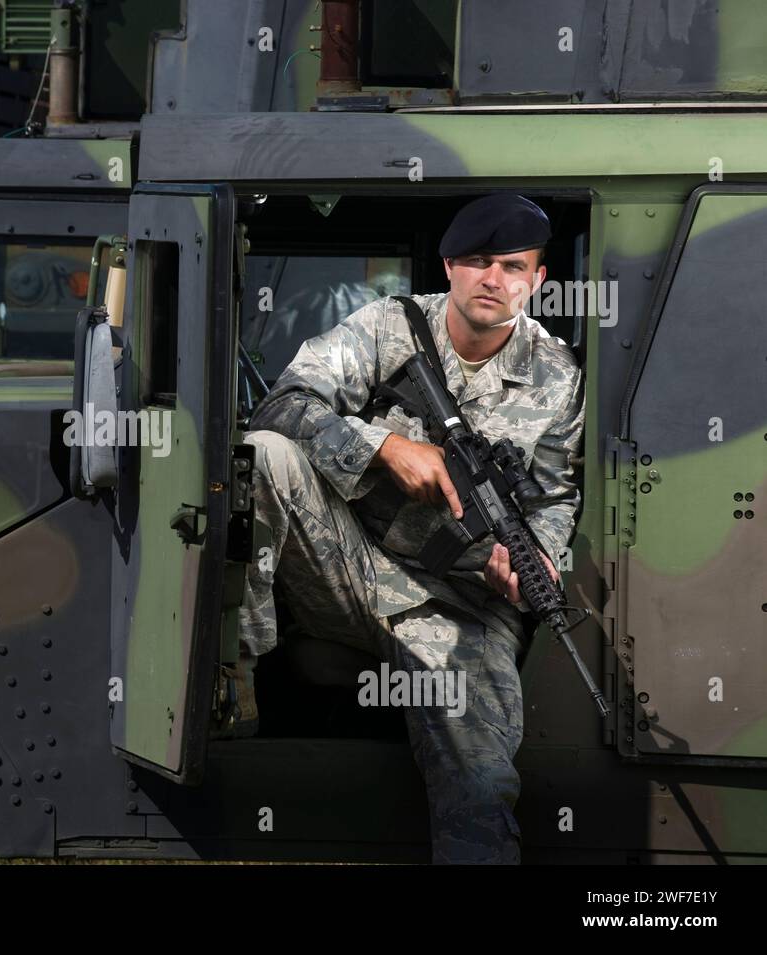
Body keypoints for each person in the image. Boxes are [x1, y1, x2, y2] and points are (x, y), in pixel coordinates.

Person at [235, 194, 586, 864]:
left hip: (461, 605)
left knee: (481, 789)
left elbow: (554, 495)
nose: (494, 279)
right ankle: (238, 668)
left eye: (513, 266)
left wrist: (532, 557)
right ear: (450, 265)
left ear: (537, 281)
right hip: (350, 561)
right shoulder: (387, 327)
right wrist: (383, 449)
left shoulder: (558, 376)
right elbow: (282, 407)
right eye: (478, 262)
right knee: (265, 457)